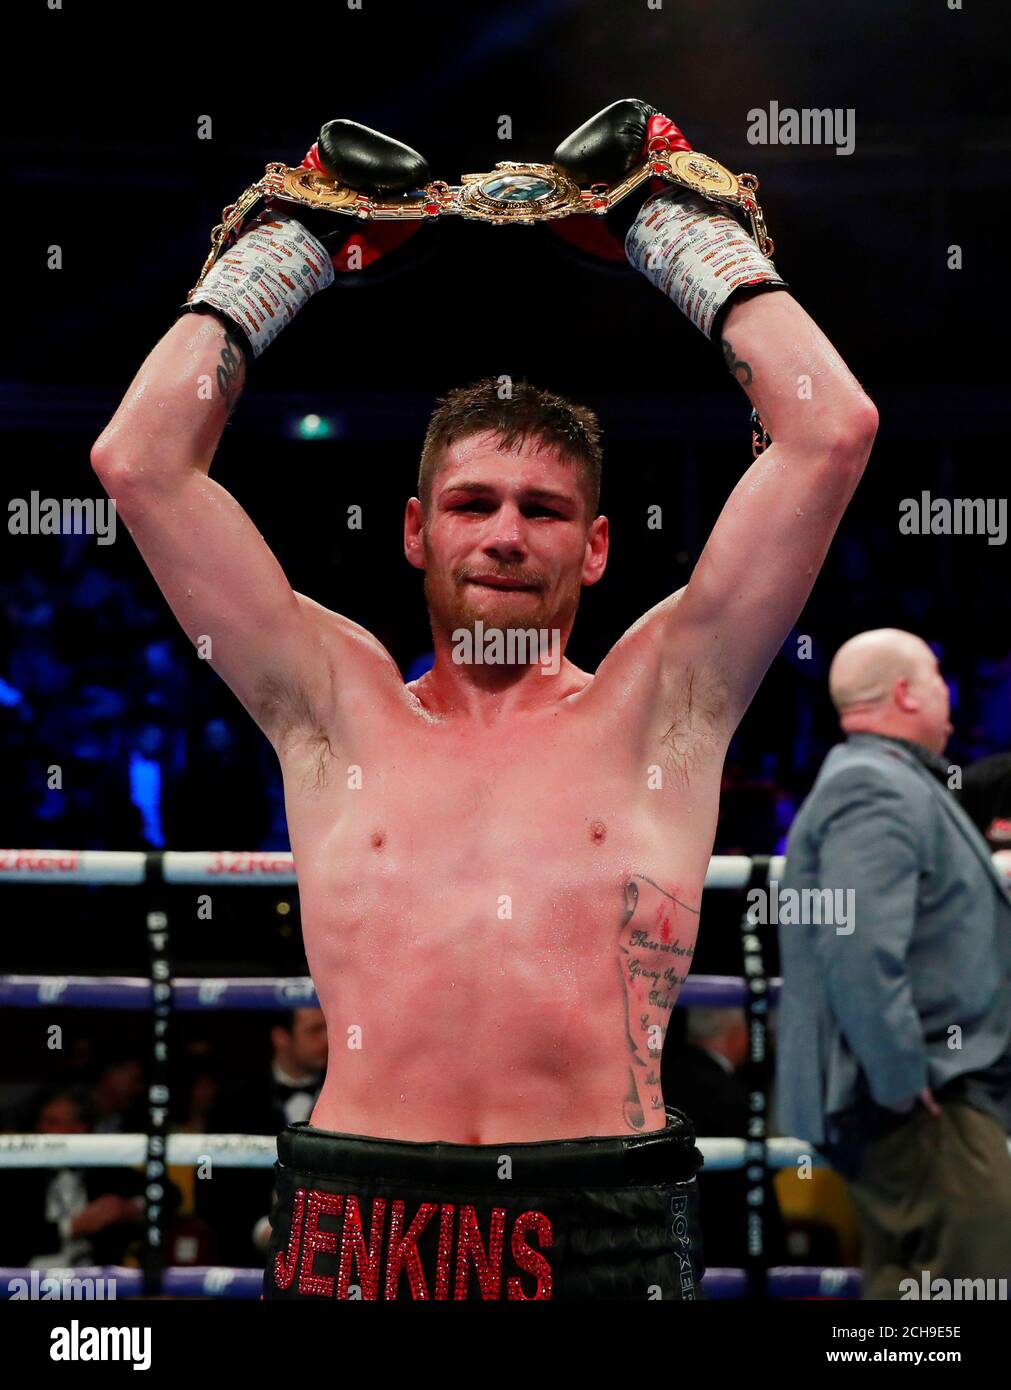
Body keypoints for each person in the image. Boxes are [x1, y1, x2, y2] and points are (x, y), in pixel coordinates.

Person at [91, 100, 878, 1300]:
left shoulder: (665, 699)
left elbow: (831, 431)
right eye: (472, 504)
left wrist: (678, 225)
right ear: (416, 530)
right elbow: (138, 462)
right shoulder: (333, 704)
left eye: (543, 509)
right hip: (361, 1213)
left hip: (600, 1214)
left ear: (598, 546)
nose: (505, 535)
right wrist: (288, 244)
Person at [775, 628, 1011, 1298]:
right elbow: (856, 949)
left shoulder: (885, 781)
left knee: (911, 1290)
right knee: (965, 1285)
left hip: (919, 1094)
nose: (950, 692)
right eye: (936, 676)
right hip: (921, 1099)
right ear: (905, 693)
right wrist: (900, 1077)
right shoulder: (871, 788)